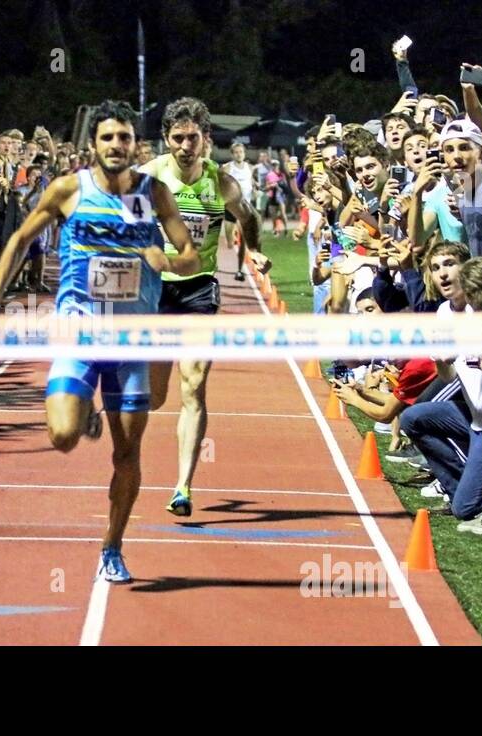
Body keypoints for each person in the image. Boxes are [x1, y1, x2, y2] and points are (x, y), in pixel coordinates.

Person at [0, 100, 199, 582]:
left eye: (124, 137)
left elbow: (189, 251)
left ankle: (113, 546)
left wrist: (169, 262)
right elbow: (20, 240)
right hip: (78, 332)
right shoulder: (68, 190)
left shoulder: (153, 192)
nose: (117, 145)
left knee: (128, 453)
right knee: (62, 436)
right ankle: (84, 416)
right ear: (93, 145)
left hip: (133, 343)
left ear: (135, 144)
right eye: (107, 138)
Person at [139, 97, 271, 516]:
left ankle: (182, 486)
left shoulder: (222, 183)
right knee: (155, 396)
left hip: (199, 292)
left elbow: (247, 216)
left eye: (192, 138)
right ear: (166, 139)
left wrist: (255, 251)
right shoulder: (149, 177)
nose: (184, 146)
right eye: (177, 138)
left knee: (193, 386)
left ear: (206, 140)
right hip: (155, 292)